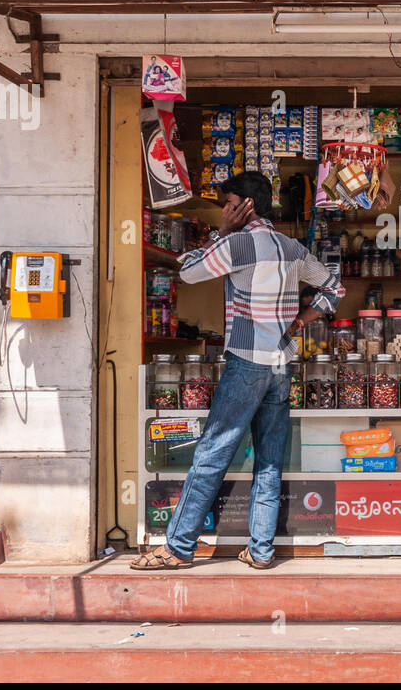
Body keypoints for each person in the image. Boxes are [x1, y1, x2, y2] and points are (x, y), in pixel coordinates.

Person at [130, 171, 344, 570]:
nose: (223, 212)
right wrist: (300, 321)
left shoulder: (237, 244)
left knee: (212, 454)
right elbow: (334, 288)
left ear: (241, 207)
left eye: (226, 205)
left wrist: (221, 233)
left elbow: (189, 271)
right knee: (268, 460)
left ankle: (177, 548)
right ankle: (261, 550)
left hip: (246, 364)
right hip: (281, 367)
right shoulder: (292, 248)